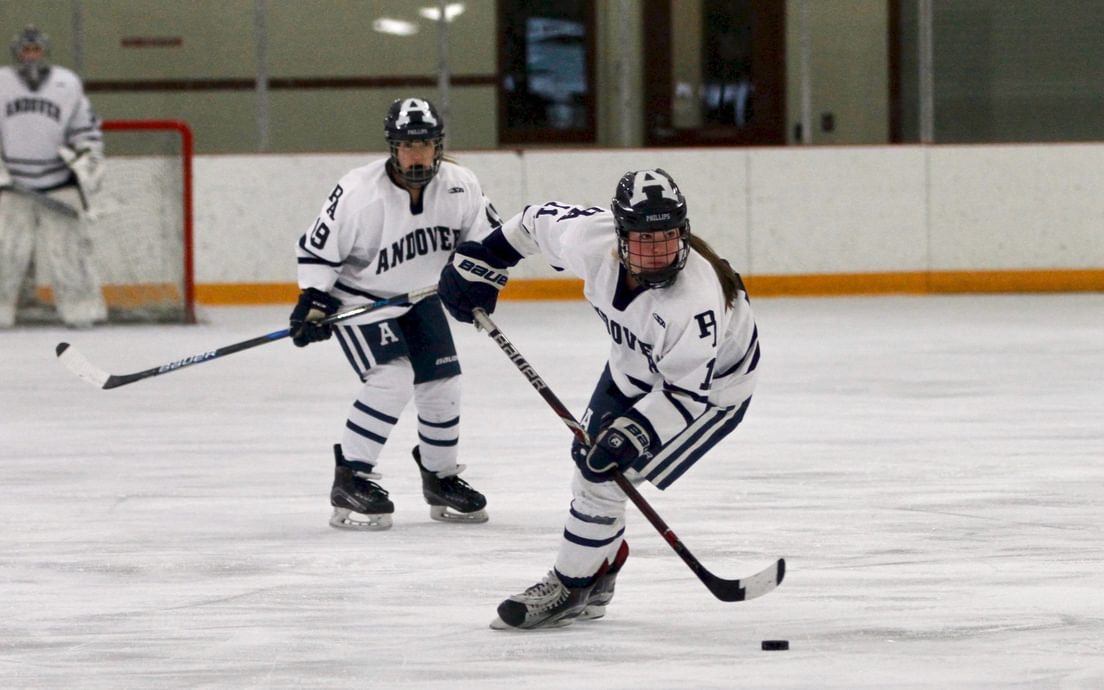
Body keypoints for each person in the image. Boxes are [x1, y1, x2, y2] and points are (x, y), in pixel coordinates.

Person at [438, 168, 760, 630]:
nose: (658, 253)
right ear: (620, 234)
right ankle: (597, 575)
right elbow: (531, 222)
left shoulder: (694, 301)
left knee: (602, 473)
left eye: (668, 238)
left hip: (710, 392)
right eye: (644, 240)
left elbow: (685, 395)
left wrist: (632, 436)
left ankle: (569, 584)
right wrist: (484, 262)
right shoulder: (591, 239)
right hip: (633, 366)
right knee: (589, 459)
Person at [290, 97, 501, 531]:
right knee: (392, 378)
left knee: (444, 382)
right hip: (360, 300)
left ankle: (440, 478)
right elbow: (317, 248)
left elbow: (487, 244)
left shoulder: (462, 186)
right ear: (393, 147)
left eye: (425, 145)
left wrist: (478, 284)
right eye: (407, 145)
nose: (417, 155)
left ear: (439, 146)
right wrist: (313, 299)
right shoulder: (358, 191)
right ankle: (350, 478)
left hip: (420, 295)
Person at [0, 25, 106, 329]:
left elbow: (85, 128)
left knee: (69, 254)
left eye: (36, 50)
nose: (31, 56)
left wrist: (87, 158)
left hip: (59, 184)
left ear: (45, 52)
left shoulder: (67, 83)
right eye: (26, 50)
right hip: (14, 187)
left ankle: (82, 311)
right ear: (17, 53)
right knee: (5, 253)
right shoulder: (2, 83)